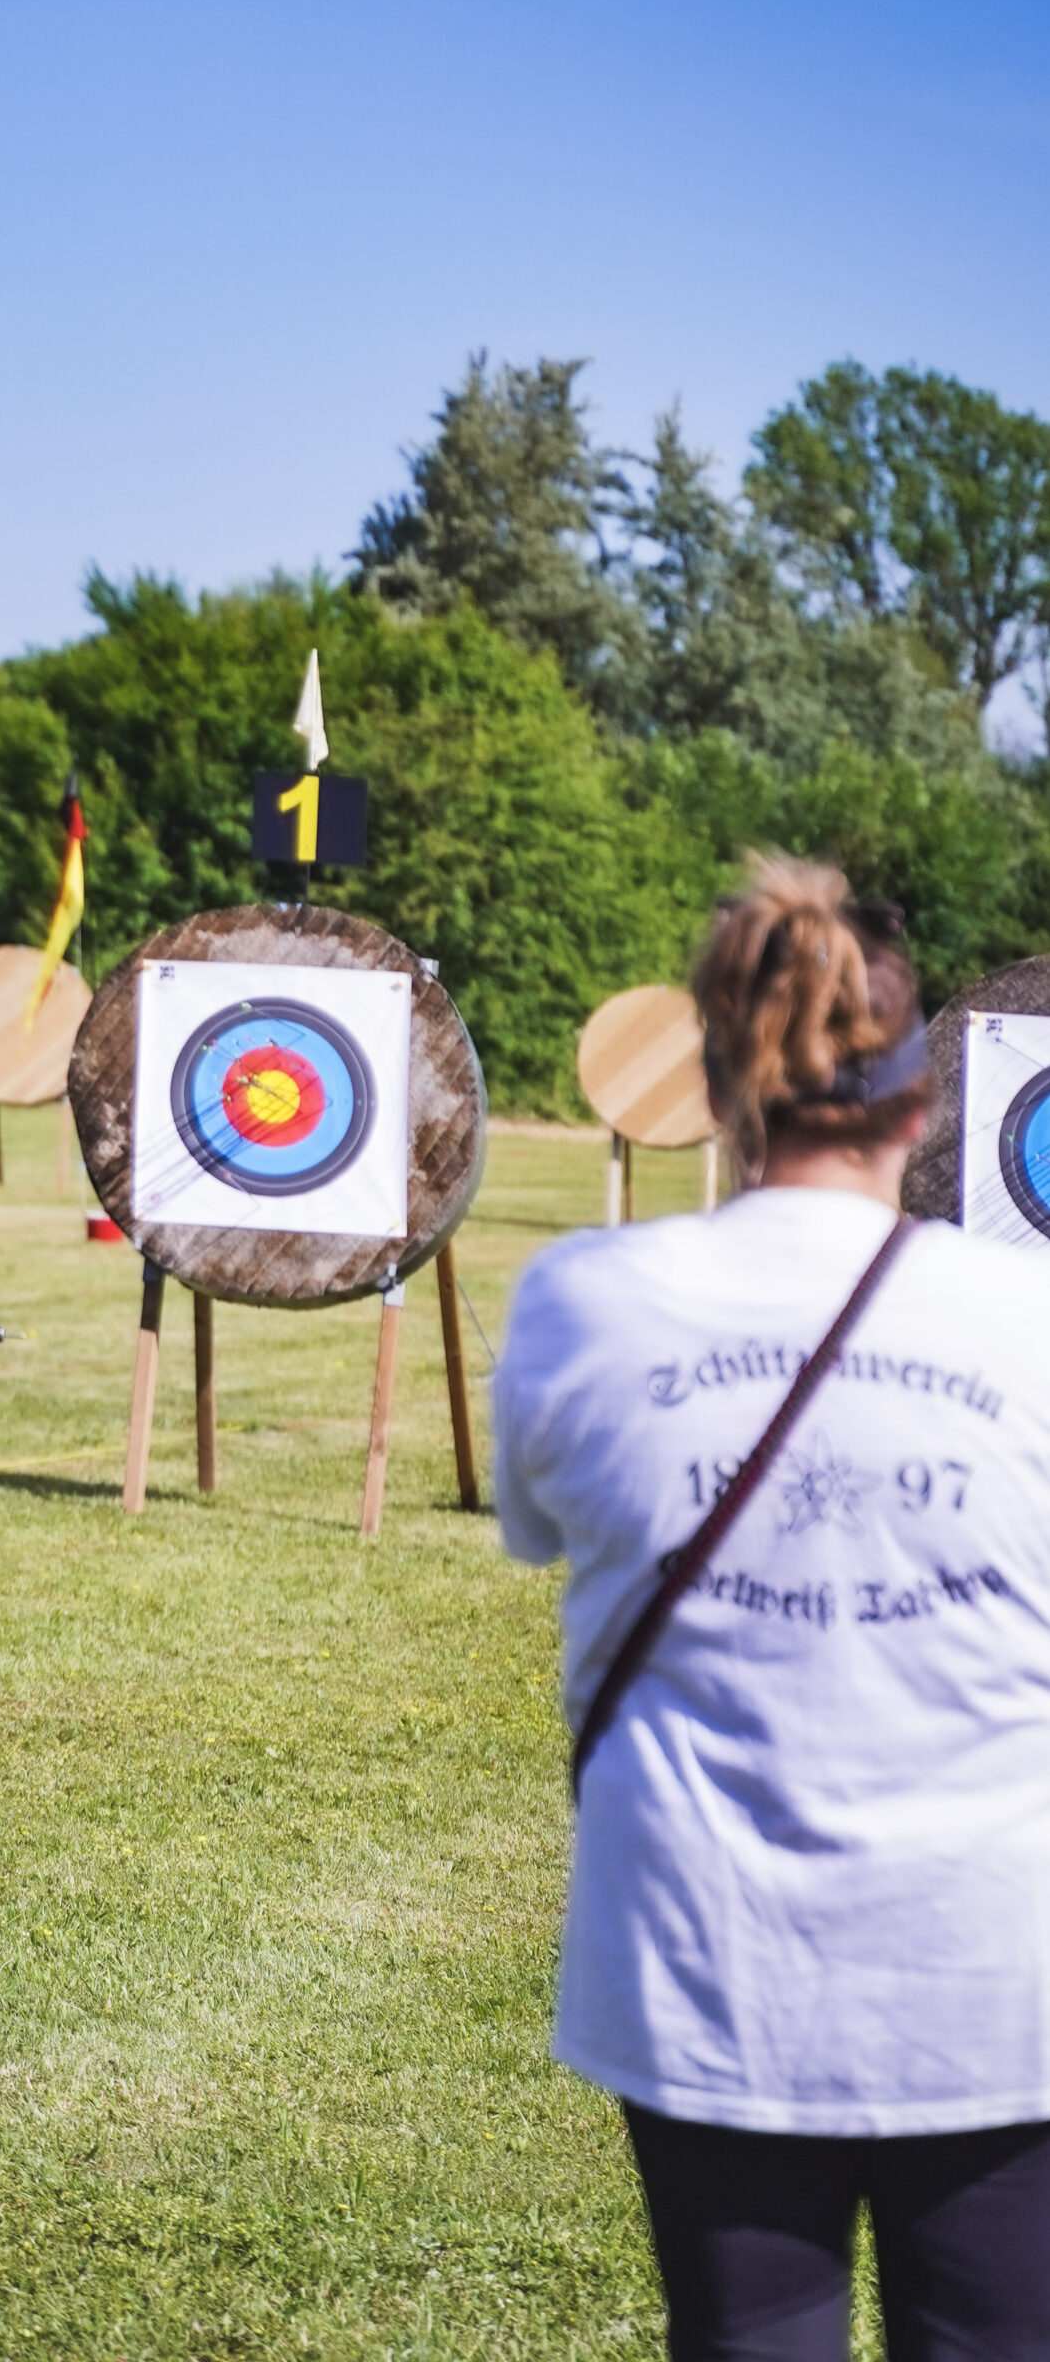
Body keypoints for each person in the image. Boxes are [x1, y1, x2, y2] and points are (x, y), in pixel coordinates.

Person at [492, 854, 1050, 2361]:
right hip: (994, 1982)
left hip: (701, 1976)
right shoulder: (1029, 1324)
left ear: (720, 1086)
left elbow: (533, 1527)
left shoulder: (576, 1302)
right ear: (926, 1107)